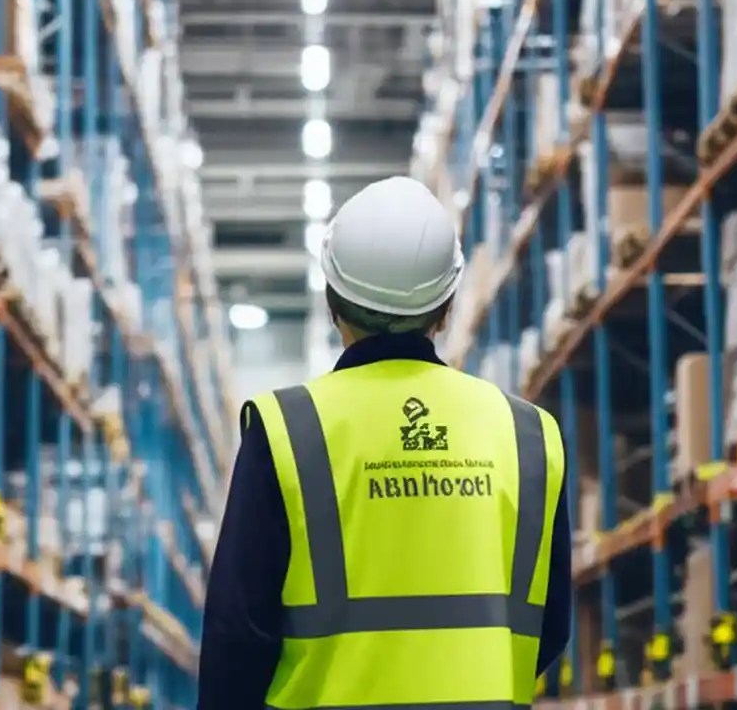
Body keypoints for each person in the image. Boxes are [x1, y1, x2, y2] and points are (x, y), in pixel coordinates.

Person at [198, 176, 571, 710]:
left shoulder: (288, 431)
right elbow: (548, 627)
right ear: (447, 308)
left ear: (332, 301)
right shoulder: (528, 436)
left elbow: (237, 640)